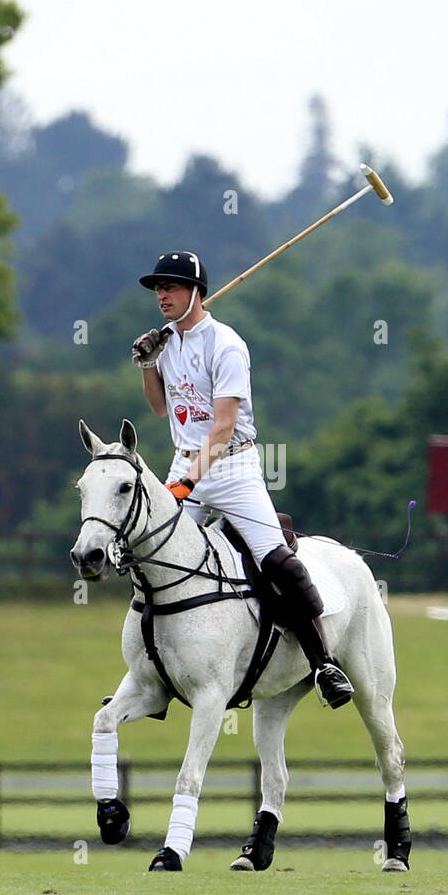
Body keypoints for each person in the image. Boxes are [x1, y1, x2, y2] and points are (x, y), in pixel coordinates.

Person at [130, 250, 354, 708]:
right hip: (184, 458)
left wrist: (188, 484)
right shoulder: (167, 343)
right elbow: (159, 408)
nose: (162, 296)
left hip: (231, 466)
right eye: (158, 289)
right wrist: (148, 364)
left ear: (195, 292)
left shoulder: (227, 344)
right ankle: (155, 668)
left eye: (170, 287)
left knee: (277, 560)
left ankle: (324, 663)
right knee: (149, 552)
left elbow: (224, 425)